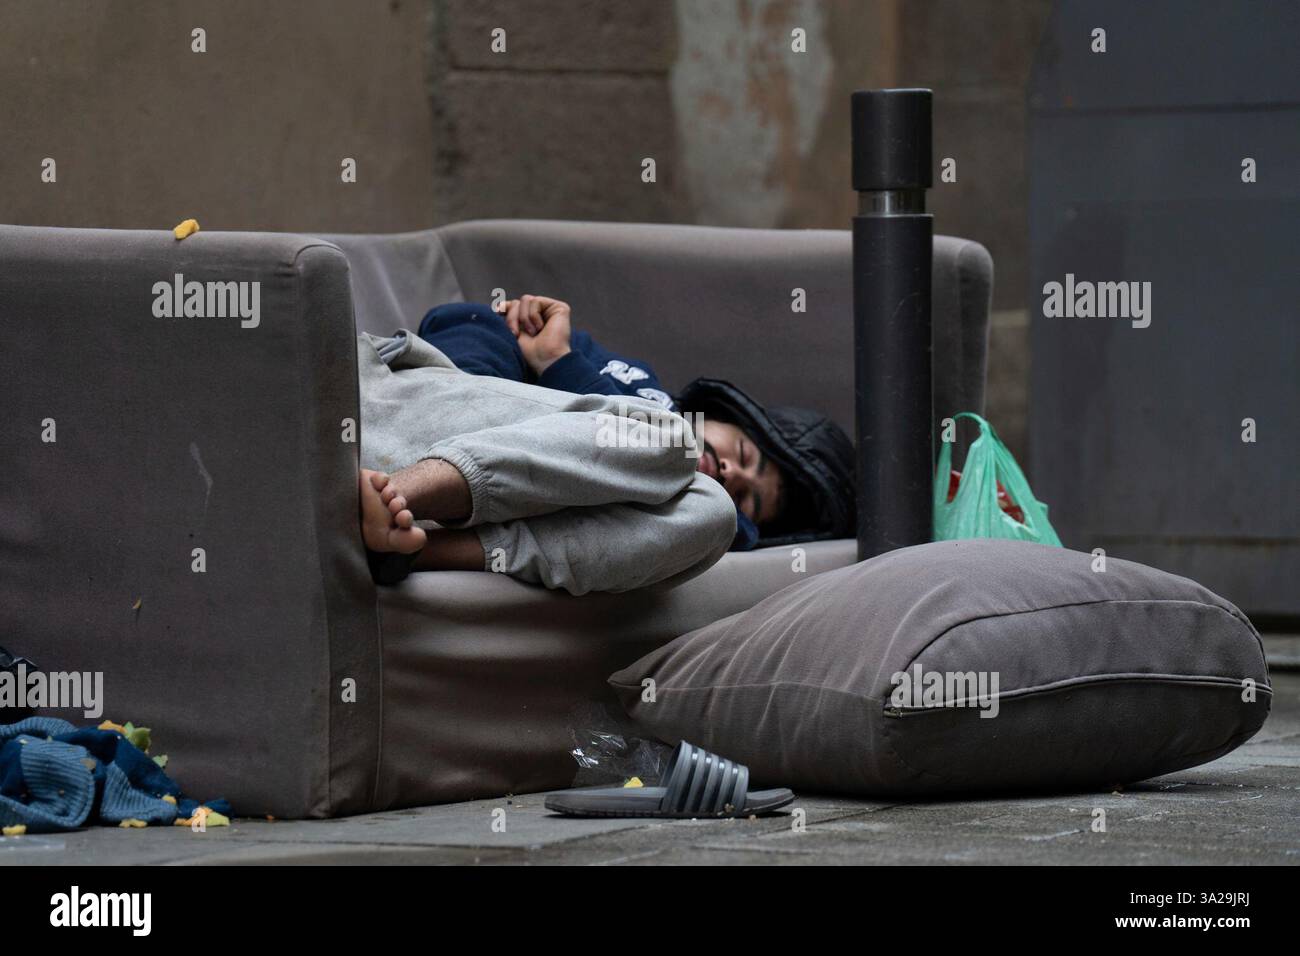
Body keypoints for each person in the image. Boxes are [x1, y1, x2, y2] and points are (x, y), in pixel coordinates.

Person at [417, 295, 856, 551]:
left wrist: (557, 364)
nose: (732, 472)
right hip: (448, 389)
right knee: (477, 323)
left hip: (500, 468)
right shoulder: (640, 379)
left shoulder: (696, 516)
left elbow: (727, 529)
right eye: (744, 454)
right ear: (725, 417)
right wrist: (528, 320)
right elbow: (466, 325)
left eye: (749, 499)